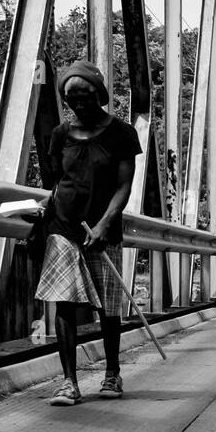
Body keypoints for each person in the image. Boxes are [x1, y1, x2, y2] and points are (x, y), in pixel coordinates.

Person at [35, 60, 140, 406]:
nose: (80, 104)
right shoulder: (61, 135)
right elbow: (56, 181)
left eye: (86, 97)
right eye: (73, 99)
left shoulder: (122, 133)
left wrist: (104, 223)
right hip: (64, 227)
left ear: (100, 94)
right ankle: (69, 382)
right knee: (64, 303)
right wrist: (45, 210)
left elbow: (124, 186)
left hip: (102, 229)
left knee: (108, 306)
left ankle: (112, 374)